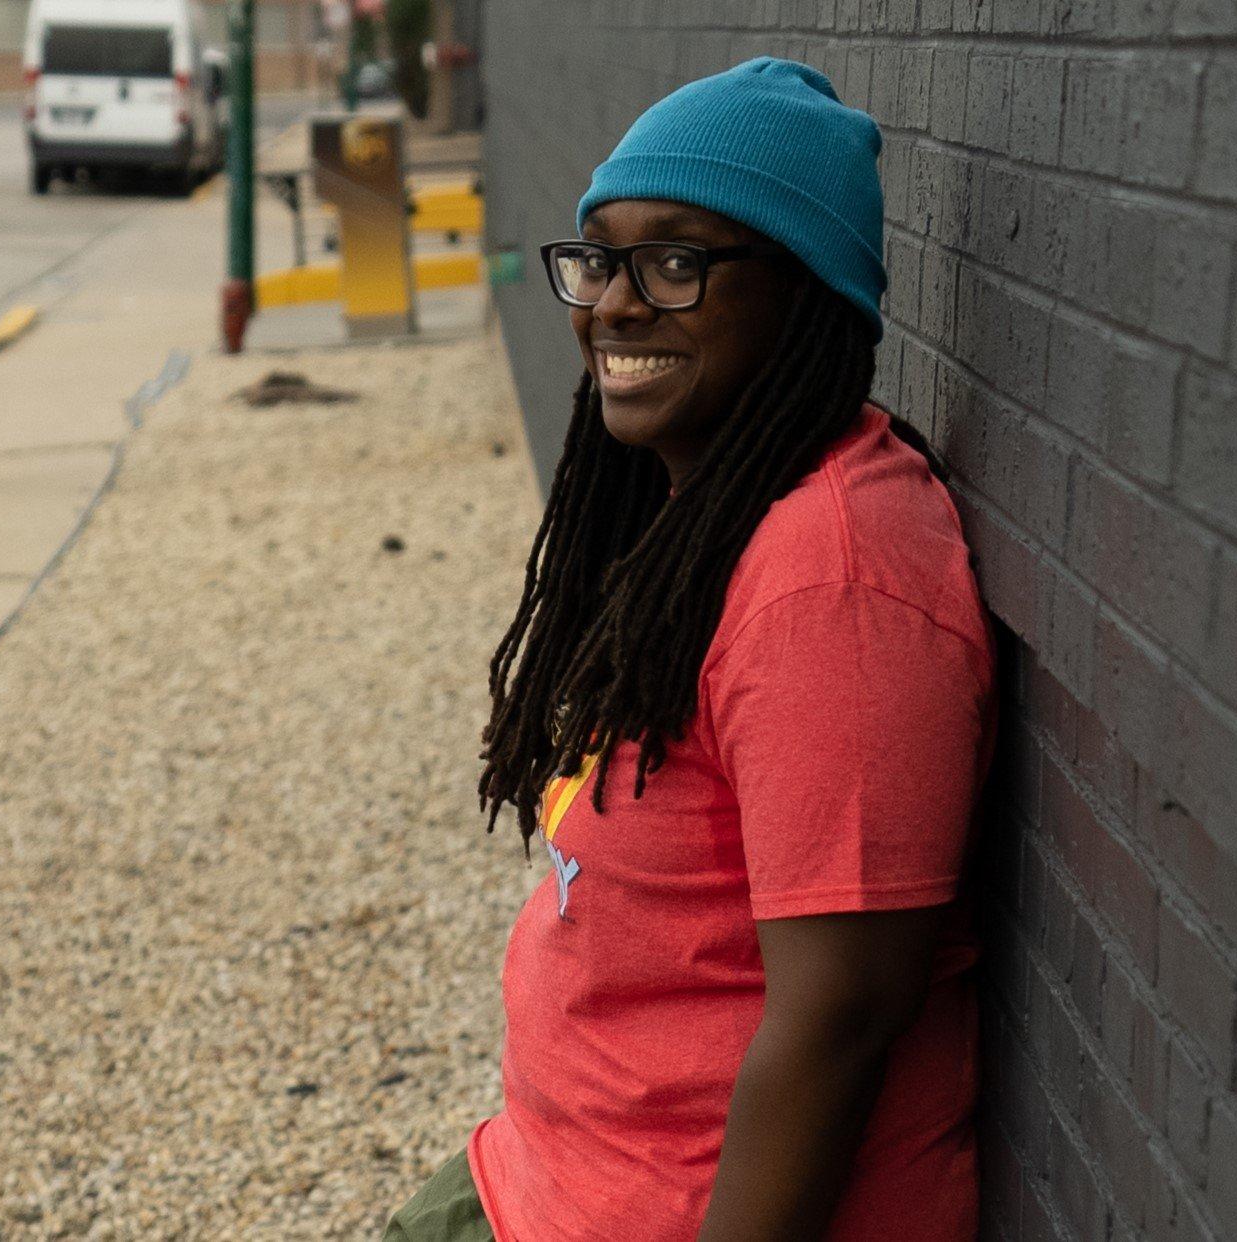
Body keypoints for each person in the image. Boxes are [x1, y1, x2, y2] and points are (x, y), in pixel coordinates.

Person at [385, 59, 996, 1241]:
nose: (612, 304)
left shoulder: (832, 583)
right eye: (599, 258)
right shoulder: (707, 518)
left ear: (806, 296)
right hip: (541, 1174)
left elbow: (843, 1015)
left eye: (675, 263)